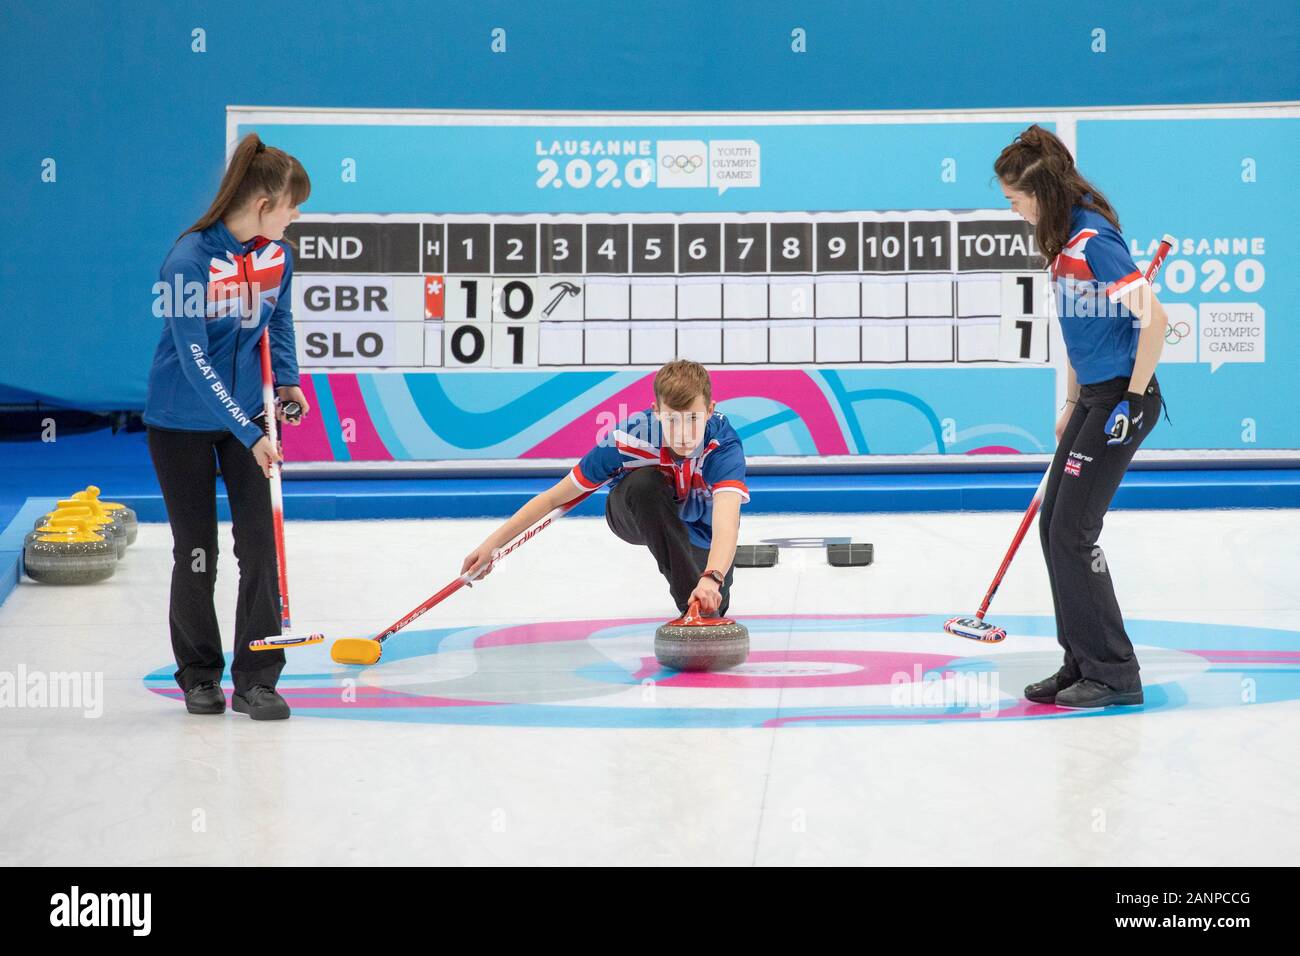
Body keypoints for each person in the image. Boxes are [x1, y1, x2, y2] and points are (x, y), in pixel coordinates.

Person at [994, 124, 1170, 709]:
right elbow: (1081, 331)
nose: (1014, 211)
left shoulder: (1093, 238)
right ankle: (1082, 661)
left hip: (1124, 397)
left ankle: (1117, 673)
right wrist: (1072, 403)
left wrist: (1132, 398)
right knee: (1054, 527)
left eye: (1016, 200)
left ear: (1041, 191)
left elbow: (1156, 321)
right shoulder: (1063, 242)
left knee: (1073, 531)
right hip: (1095, 395)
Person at [143, 132, 311, 720]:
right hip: (181, 422)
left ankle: (258, 677)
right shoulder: (188, 260)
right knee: (197, 551)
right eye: (293, 206)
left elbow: (279, 318)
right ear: (265, 204)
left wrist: (286, 380)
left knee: (259, 550)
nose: (296, 218)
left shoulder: (276, 256)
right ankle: (198, 674)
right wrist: (252, 434)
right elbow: (194, 363)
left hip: (250, 418)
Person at [461, 360, 748, 617]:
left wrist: (712, 577)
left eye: (693, 419)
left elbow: (726, 525)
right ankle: (691, 612)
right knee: (644, 484)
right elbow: (552, 499)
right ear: (656, 412)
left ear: (710, 411)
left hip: (698, 527)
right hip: (636, 513)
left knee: (716, 599)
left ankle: (703, 599)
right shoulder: (630, 439)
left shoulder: (723, 447)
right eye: (672, 419)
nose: (684, 433)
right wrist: (491, 545)